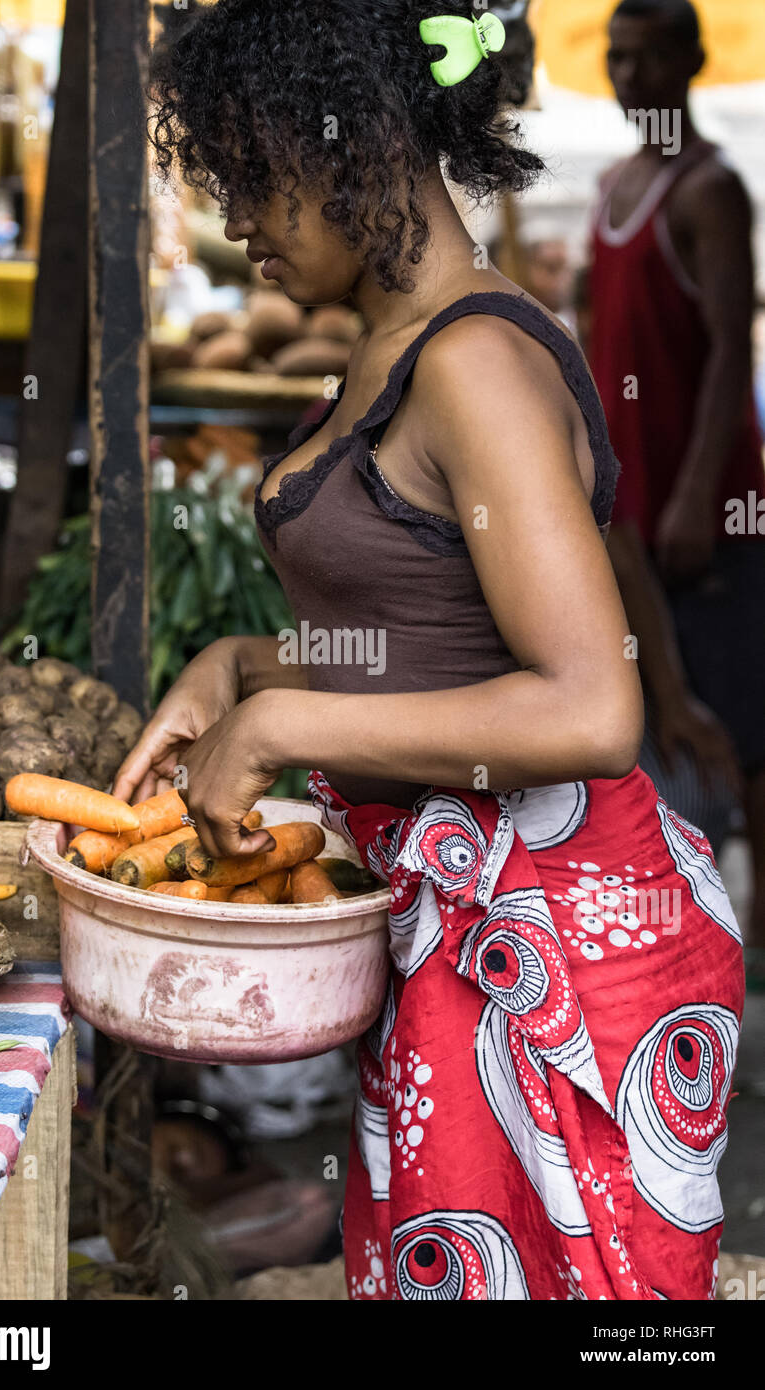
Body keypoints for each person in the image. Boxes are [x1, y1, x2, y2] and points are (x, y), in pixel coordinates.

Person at [116, 0, 743, 1301]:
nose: (236, 221)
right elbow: (431, 643)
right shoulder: (394, 347)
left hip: (554, 957)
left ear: (355, 147)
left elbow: (588, 707)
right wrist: (245, 665)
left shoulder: (472, 364)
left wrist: (286, 727)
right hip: (462, 936)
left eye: (254, 176)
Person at [588, 0, 765, 983]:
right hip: (633, 524)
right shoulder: (613, 187)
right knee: (662, 734)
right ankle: (677, 958)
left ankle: (752, 971)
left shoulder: (709, 192)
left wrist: (699, 490)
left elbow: (728, 354)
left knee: (741, 747)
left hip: (713, 521)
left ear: (686, 64)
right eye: (613, 60)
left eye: (642, 60)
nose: (624, 78)